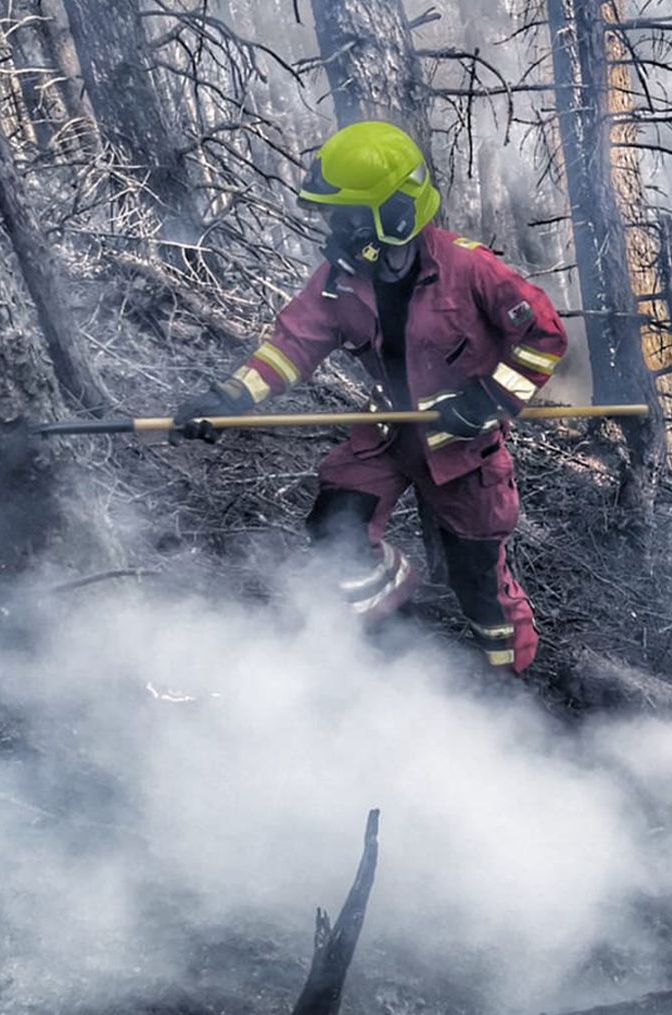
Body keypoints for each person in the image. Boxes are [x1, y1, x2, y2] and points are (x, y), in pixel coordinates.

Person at [170, 122, 568, 672]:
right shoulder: (340, 280)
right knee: (337, 528)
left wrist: (490, 401)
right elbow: (291, 346)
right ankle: (397, 648)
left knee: (477, 580)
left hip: (463, 448)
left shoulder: (469, 269)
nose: (337, 231)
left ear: (395, 213)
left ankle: (509, 677)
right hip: (387, 434)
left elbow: (544, 338)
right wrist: (230, 396)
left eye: (349, 217)